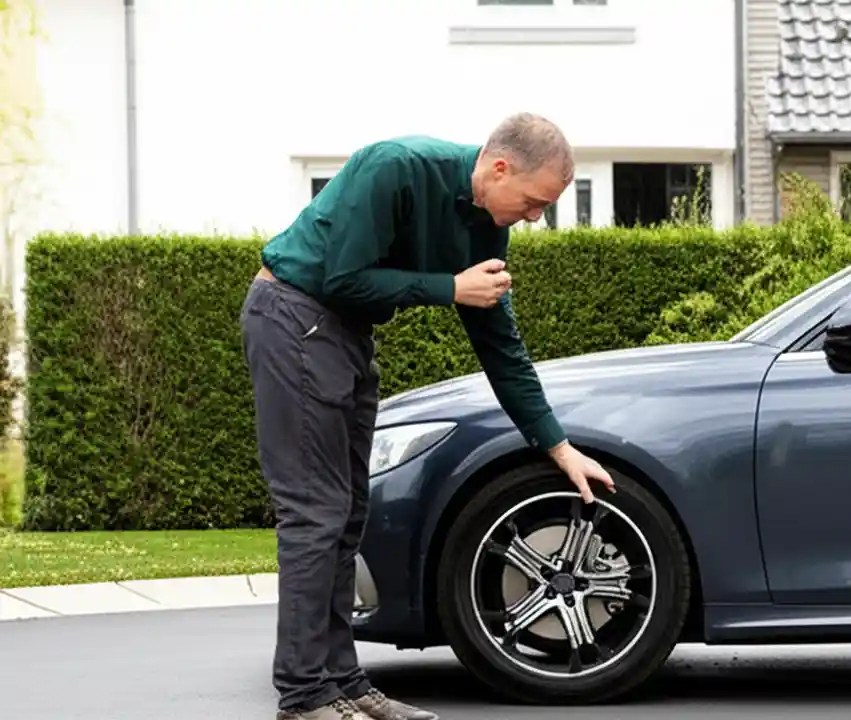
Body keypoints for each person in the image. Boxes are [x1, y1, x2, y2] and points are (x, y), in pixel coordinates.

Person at [239, 113, 616, 720]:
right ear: (498, 168)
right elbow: (343, 275)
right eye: (533, 201)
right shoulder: (396, 167)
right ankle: (304, 696)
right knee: (316, 513)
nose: (534, 217)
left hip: (345, 337)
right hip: (293, 319)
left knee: (348, 513)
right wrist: (448, 287)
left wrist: (558, 446)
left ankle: (344, 685)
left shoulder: (487, 226)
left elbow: (501, 345)